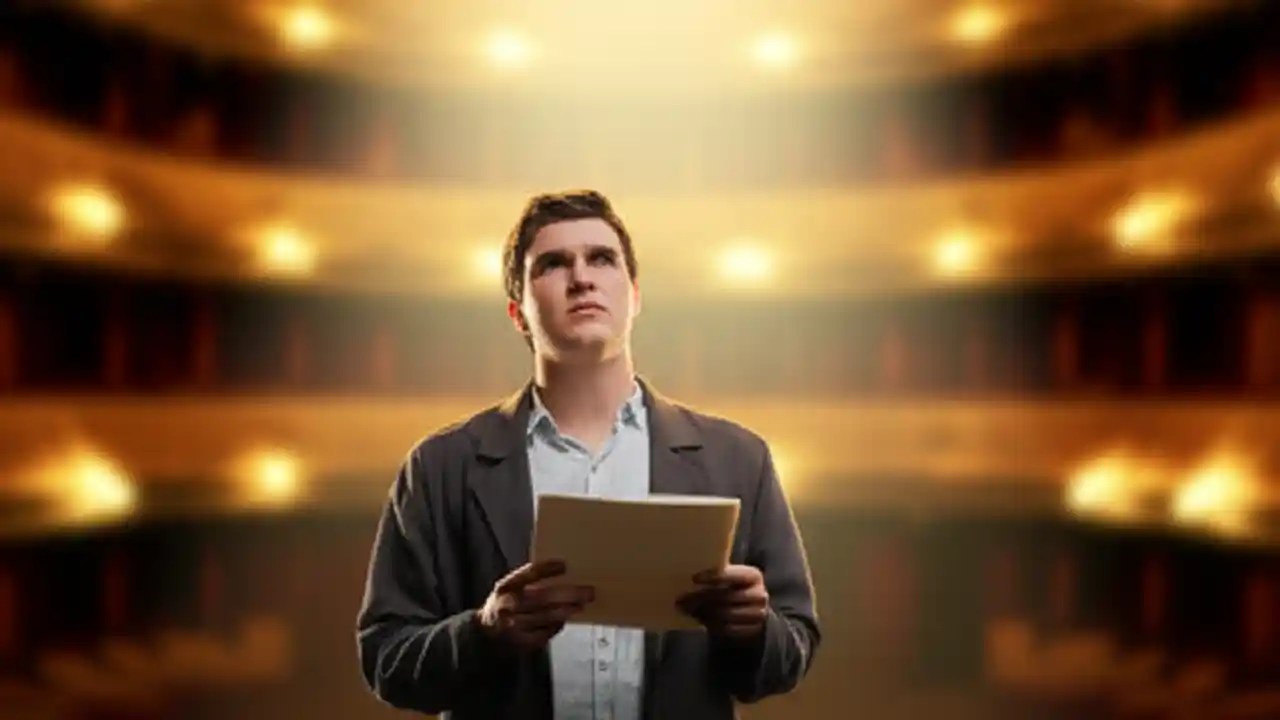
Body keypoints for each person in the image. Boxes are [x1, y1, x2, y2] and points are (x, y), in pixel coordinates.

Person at [356, 190, 819, 719]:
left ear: (635, 296)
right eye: (553, 264)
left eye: (602, 258)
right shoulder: (440, 467)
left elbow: (793, 646)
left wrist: (755, 630)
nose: (581, 278)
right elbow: (386, 658)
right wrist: (483, 633)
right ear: (518, 314)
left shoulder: (739, 458)